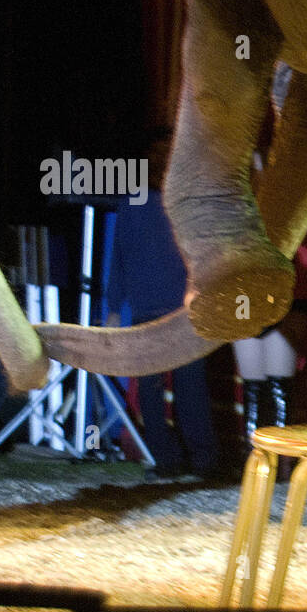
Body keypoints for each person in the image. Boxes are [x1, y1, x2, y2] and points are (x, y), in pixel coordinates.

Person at [103, 131, 219, 481]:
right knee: (167, 392)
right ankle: (181, 460)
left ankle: (190, 460)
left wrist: (112, 308)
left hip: (175, 310)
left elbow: (204, 256)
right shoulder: (146, 201)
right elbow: (121, 255)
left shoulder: (180, 201)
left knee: (178, 391)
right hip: (159, 309)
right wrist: (112, 307)